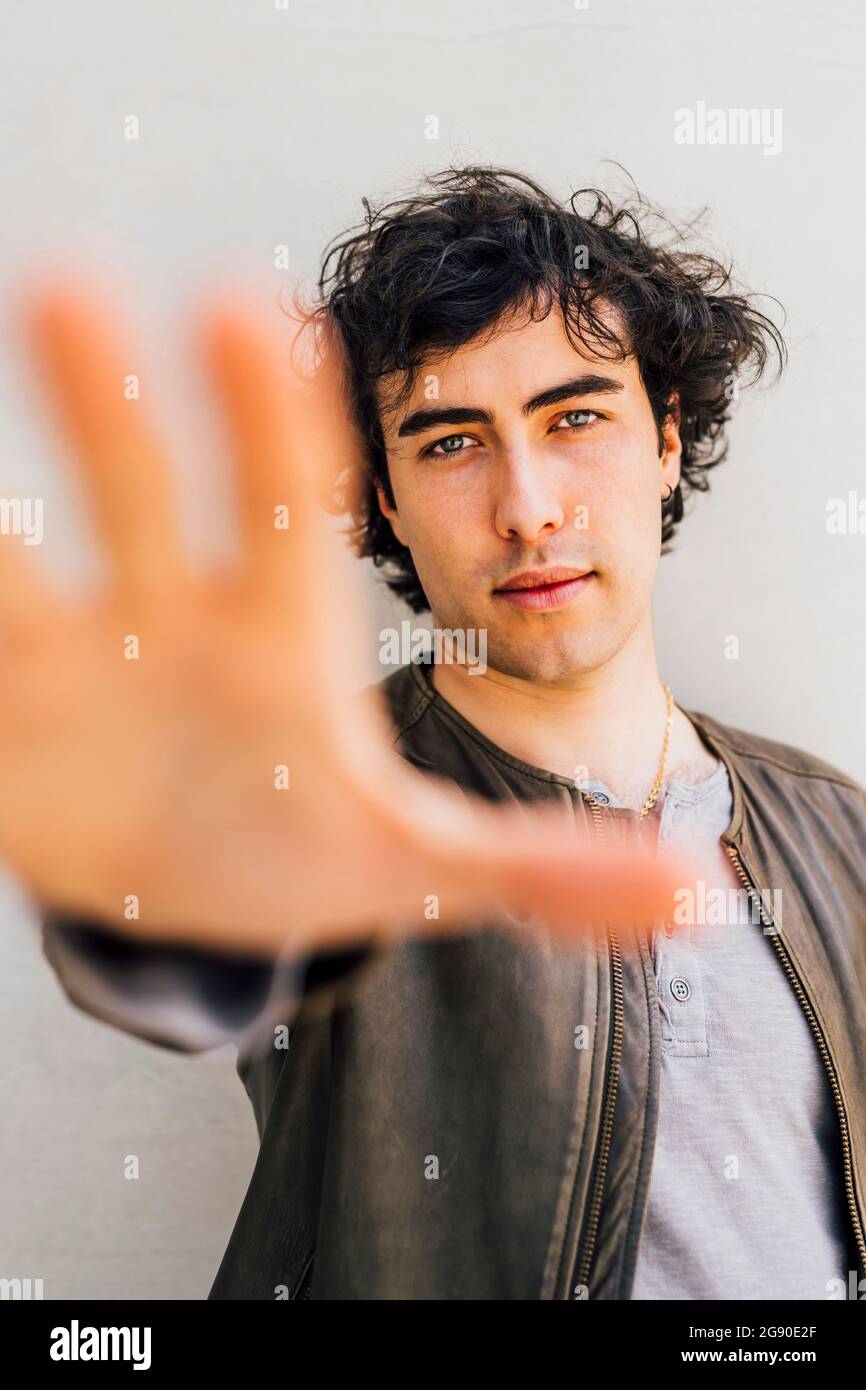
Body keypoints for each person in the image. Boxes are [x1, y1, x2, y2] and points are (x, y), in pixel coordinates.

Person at [6, 166, 865, 1300]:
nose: (527, 507)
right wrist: (155, 911)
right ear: (387, 500)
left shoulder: (833, 824)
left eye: (574, 418)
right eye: (451, 442)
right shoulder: (319, 788)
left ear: (664, 439)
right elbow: (211, 952)